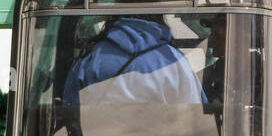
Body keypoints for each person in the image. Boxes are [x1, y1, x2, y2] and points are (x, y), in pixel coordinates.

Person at [63, 16, 206, 109]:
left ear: (112, 16)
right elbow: (196, 114)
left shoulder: (91, 58)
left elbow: (70, 109)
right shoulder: (174, 60)